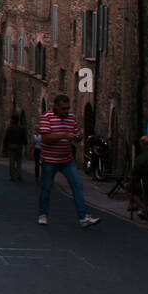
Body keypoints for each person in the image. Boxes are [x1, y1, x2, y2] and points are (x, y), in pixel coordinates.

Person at [37, 94, 100, 227]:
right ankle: (43, 214)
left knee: (77, 185)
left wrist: (78, 137)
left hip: (67, 159)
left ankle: (83, 217)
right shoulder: (46, 117)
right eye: (63, 109)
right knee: (46, 188)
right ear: (56, 106)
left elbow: (75, 134)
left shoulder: (71, 118)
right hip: (49, 160)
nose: (66, 111)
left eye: (67, 108)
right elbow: (45, 138)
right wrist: (64, 135)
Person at [3, 114, 26, 182]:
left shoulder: (10, 128)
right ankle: (19, 175)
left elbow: (6, 138)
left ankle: (13, 176)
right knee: (19, 162)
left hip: (11, 146)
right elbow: (24, 138)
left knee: (12, 162)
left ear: (13, 120)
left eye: (11, 119)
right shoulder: (22, 128)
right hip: (19, 146)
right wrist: (25, 145)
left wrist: (4, 147)